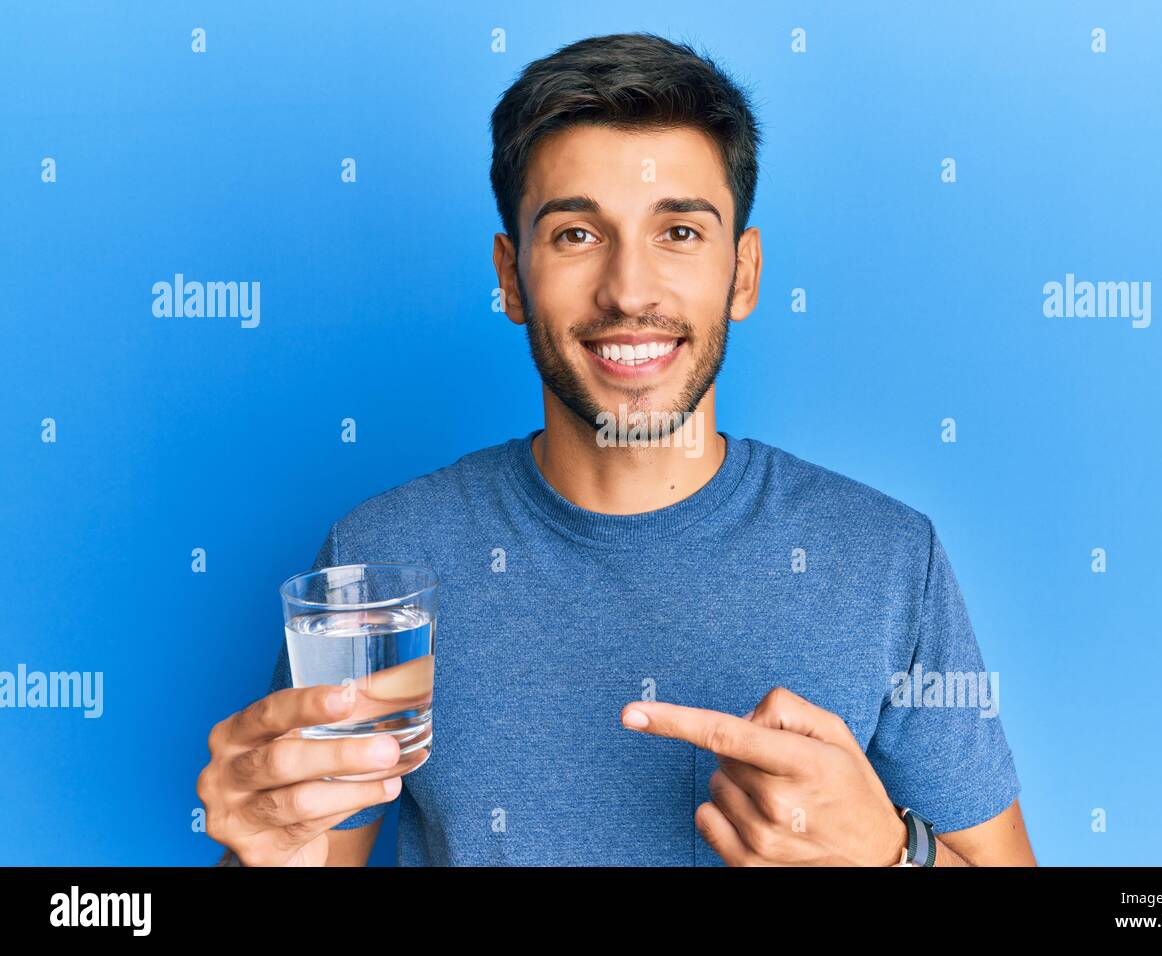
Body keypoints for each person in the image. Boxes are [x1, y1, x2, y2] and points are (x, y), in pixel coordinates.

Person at [197, 31, 1035, 867]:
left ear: (743, 274)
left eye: (678, 232)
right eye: (575, 235)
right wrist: (262, 859)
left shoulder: (886, 558)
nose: (629, 291)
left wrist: (892, 858)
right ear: (510, 277)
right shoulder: (381, 561)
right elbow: (304, 853)